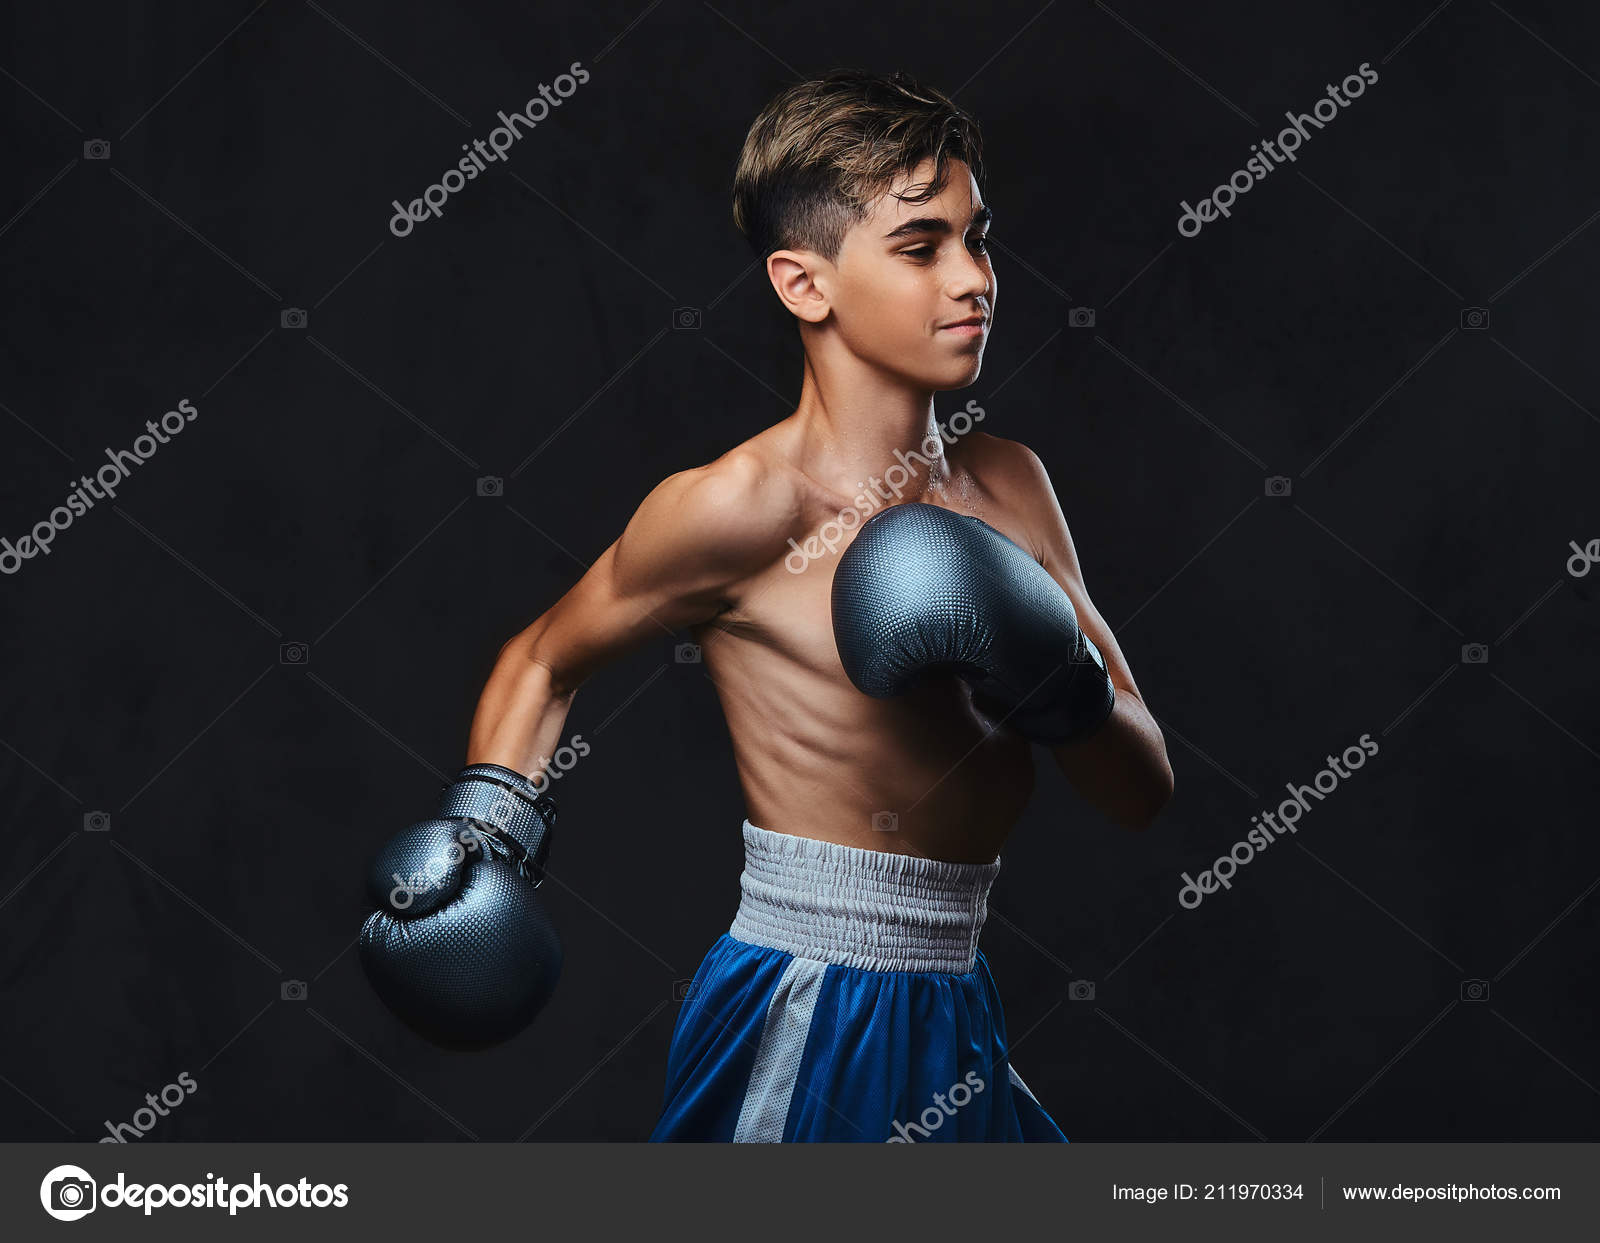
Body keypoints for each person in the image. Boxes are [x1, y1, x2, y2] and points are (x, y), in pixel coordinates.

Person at [361, 68, 1173, 1141]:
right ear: (804, 284)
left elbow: (1142, 788)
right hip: (809, 998)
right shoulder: (740, 509)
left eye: (980, 240)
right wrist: (485, 834)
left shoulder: (1009, 484)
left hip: (954, 991)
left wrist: (1056, 682)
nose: (974, 278)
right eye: (922, 246)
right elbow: (542, 658)